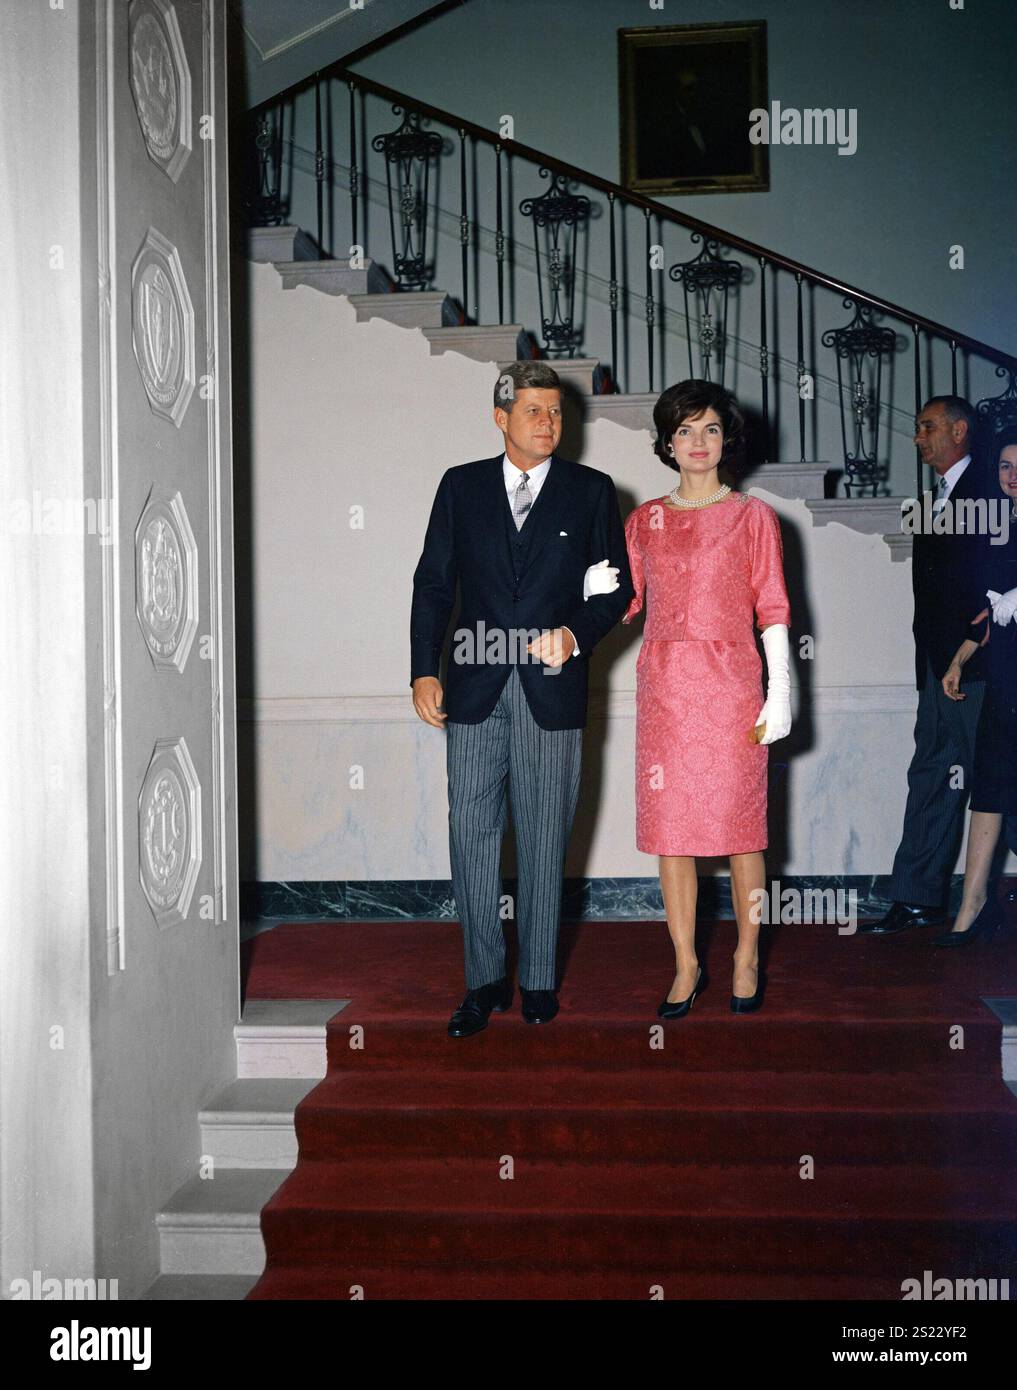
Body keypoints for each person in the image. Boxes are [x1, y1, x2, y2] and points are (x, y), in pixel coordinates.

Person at [410, 361, 633, 1037]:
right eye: (533, 411)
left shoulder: (592, 491)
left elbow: (615, 591)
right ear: (501, 417)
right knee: (470, 838)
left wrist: (572, 634)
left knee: (543, 838)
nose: (547, 423)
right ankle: (482, 982)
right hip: (472, 691)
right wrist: (422, 670)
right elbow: (432, 586)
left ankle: (536, 980)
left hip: (552, 693)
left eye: (556, 413)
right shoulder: (460, 487)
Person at [622, 379, 791, 1017]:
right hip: (665, 689)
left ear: (727, 440)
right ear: (668, 441)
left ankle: (747, 955)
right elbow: (627, 605)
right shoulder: (644, 521)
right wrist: (588, 588)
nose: (698, 442)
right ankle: (687, 962)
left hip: (731, 688)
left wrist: (781, 688)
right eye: (685, 430)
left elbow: (772, 605)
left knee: (743, 832)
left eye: (711, 429)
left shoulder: (754, 517)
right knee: (673, 834)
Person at [862, 397, 1009, 937]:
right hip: (936, 665)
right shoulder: (936, 498)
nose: (918, 437)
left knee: (997, 779)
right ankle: (918, 896)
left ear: (960, 430)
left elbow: (993, 589)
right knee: (933, 771)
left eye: (927, 427)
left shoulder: (993, 492)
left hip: (977, 667)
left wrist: (970, 654)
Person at [937, 428, 1017, 943]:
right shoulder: (1000, 528)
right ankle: (972, 904)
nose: (1013, 476)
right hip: (1007, 677)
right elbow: (993, 613)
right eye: (1006, 466)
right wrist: (959, 661)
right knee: (987, 786)